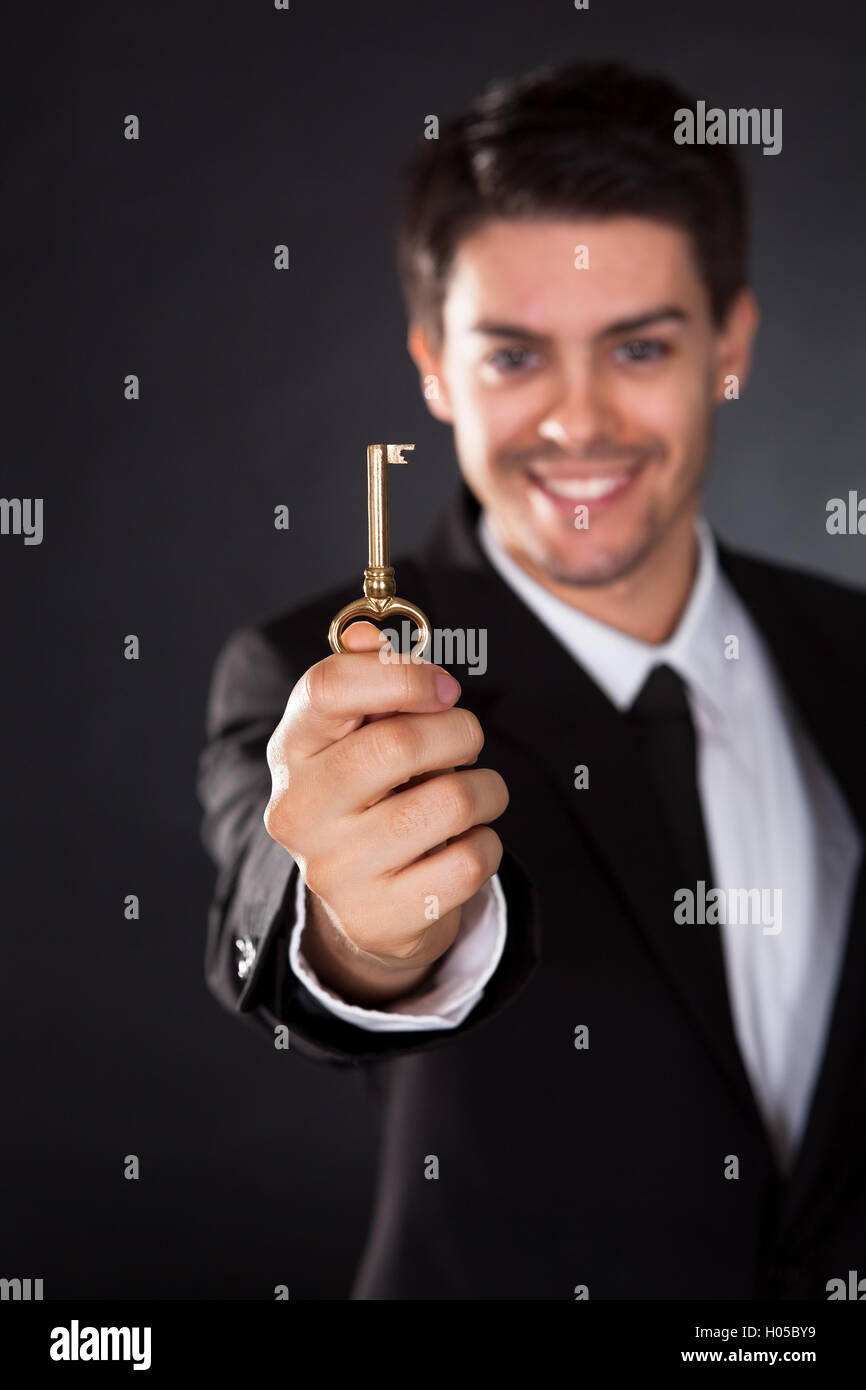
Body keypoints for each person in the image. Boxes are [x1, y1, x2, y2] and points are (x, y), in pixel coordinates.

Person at [196, 60, 866, 1300]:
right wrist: (362, 933)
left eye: (639, 346)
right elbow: (308, 935)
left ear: (729, 344)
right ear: (433, 367)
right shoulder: (316, 671)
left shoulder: (851, 650)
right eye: (511, 358)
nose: (574, 422)